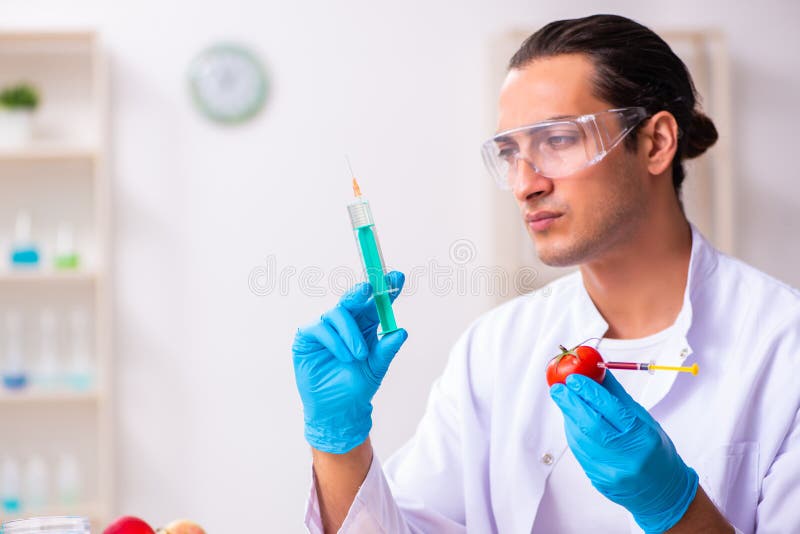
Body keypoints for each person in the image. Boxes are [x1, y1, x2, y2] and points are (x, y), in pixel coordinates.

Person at [291, 14, 800, 534]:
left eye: (557, 140)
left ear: (655, 143)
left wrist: (678, 509)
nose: (524, 184)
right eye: (510, 153)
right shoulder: (494, 349)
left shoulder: (784, 348)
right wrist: (340, 445)